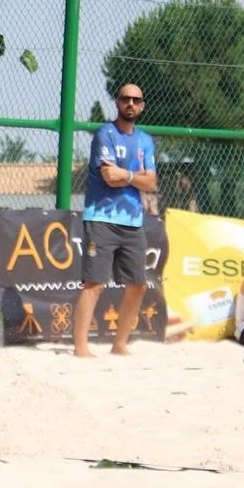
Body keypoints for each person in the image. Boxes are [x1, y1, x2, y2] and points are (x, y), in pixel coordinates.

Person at [72, 84, 157, 358]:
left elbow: (152, 183)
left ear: (142, 106)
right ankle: (80, 347)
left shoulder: (145, 140)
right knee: (95, 283)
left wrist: (127, 175)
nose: (130, 104)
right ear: (117, 103)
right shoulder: (105, 134)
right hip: (101, 219)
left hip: (133, 221)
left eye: (136, 100)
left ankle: (119, 344)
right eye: (125, 99)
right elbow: (109, 177)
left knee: (138, 285)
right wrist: (135, 177)